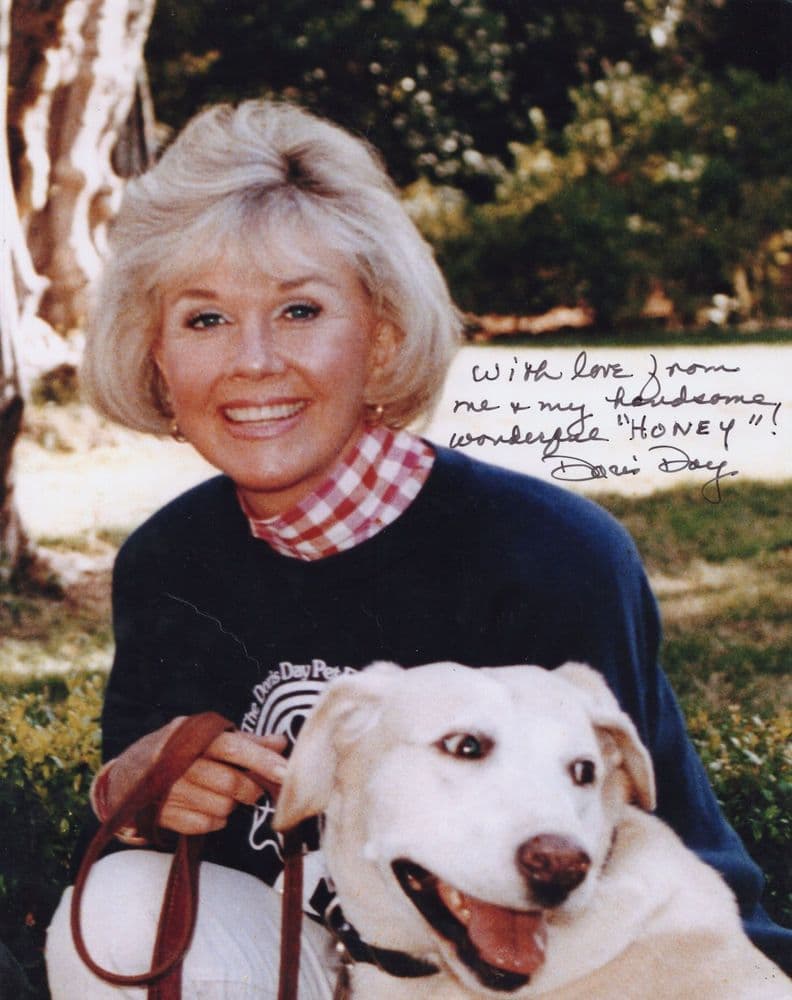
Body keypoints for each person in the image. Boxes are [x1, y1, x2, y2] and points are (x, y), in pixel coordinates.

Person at [45, 100, 790, 997]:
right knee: (119, 910)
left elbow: (602, 874)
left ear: (383, 334)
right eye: (204, 321)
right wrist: (138, 788)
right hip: (347, 960)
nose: (253, 361)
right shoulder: (168, 560)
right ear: (155, 355)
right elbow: (153, 808)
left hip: (614, 963)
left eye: (299, 309)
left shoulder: (549, 552)